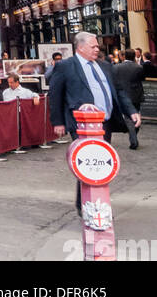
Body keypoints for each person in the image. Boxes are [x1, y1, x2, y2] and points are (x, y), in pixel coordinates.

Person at [49, 32, 140, 211]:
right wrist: (57, 122)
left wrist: (131, 111)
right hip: (81, 124)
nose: (97, 49)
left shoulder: (105, 66)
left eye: (97, 46)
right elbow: (55, 95)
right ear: (80, 47)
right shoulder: (66, 67)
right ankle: (87, 206)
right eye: (93, 46)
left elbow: (119, 91)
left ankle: (97, 201)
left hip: (104, 123)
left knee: (100, 162)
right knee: (87, 161)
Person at [113, 51, 144, 150]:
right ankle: (134, 136)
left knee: (128, 117)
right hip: (136, 95)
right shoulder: (138, 67)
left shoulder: (116, 67)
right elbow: (142, 79)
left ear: (124, 56)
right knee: (136, 115)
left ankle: (133, 138)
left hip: (123, 95)